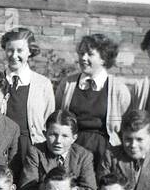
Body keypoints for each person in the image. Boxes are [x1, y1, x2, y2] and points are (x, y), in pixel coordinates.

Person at [53, 32, 130, 164]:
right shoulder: (67, 84)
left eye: (90, 54)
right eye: (81, 53)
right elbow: (58, 115)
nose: (83, 58)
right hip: (71, 149)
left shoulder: (119, 89)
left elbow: (124, 125)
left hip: (104, 150)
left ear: (104, 58)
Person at [18, 109, 98, 190]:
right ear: (45, 134)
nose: (58, 141)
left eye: (65, 136)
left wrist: (49, 189)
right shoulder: (36, 153)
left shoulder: (83, 156)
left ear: (74, 138)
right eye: (53, 135)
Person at [0, 27, 54, 149]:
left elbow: (49, 119)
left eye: (20, 50)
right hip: (0, 145)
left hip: (31, 146)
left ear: (30, 51)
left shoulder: (43, 84)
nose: (14, 55)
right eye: (10, 50)